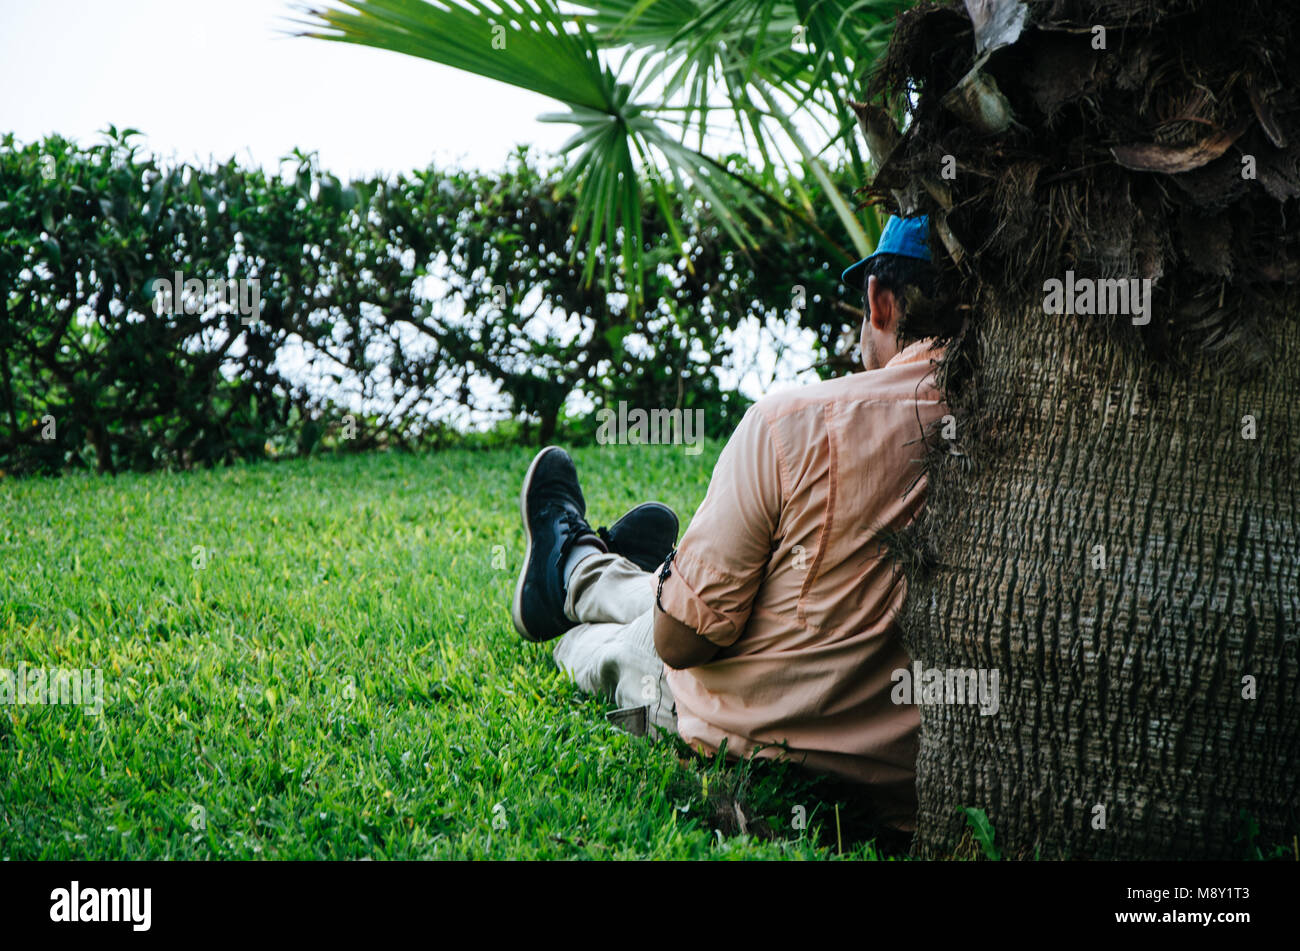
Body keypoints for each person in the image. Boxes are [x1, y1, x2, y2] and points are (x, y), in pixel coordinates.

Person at [511, 215, 949, 830]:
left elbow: (681, 641)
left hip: (745, 731)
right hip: (909, 782)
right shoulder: (1037, 438)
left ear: (881, 302)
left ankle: (569, 581)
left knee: (592, 643)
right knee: (688, 587)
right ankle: (587, 563)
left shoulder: (794, 422)